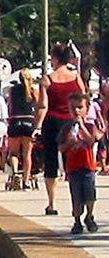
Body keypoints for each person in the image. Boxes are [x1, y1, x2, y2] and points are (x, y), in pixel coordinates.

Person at [36, 44, 89, 216]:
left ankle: (52, 203)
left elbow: (43, 106)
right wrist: (82, 120)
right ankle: (77, 202)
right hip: (71, 121)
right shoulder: (76, 77)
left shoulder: (47, 79)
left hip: (52, 122)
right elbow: (83, 100)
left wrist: (37, 126)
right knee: (72, 162)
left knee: (50, 162)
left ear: (56, 58)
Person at [63, 92, 101, 234]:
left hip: (88, 166)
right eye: (73, 108)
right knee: (76, 197)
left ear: (87, 108)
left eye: (80, 107)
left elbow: (91, 141)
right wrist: (68, 143)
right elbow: (61, 147)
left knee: (90, 195)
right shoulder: (67, 127)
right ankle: (77, 220)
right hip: (73, 167)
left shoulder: (90, 126)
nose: (76, 111)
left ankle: (89, 216)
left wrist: (81, 126)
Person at [9, 68, 38, 189]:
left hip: (15, 120)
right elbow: (38, 106)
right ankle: (26, 181)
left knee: (14, 153)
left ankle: (15, 173)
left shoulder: (13, 90)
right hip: (28, 120)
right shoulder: (33, 90)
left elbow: (10, 105)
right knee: (27, 154)